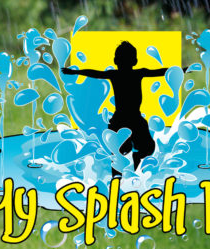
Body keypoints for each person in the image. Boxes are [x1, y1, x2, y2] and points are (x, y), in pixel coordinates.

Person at [62, 41, 167, 171]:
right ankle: (134, 162)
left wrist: (75, 72)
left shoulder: (115, 74)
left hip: (120, 120)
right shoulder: (137, 73)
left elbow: (95, 73)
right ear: (135, 61)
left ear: (116, 60)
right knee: (145, 148)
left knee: (118, 153)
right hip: (133, 119)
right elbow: (161, 72)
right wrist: (181, 71)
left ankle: (119, 174)